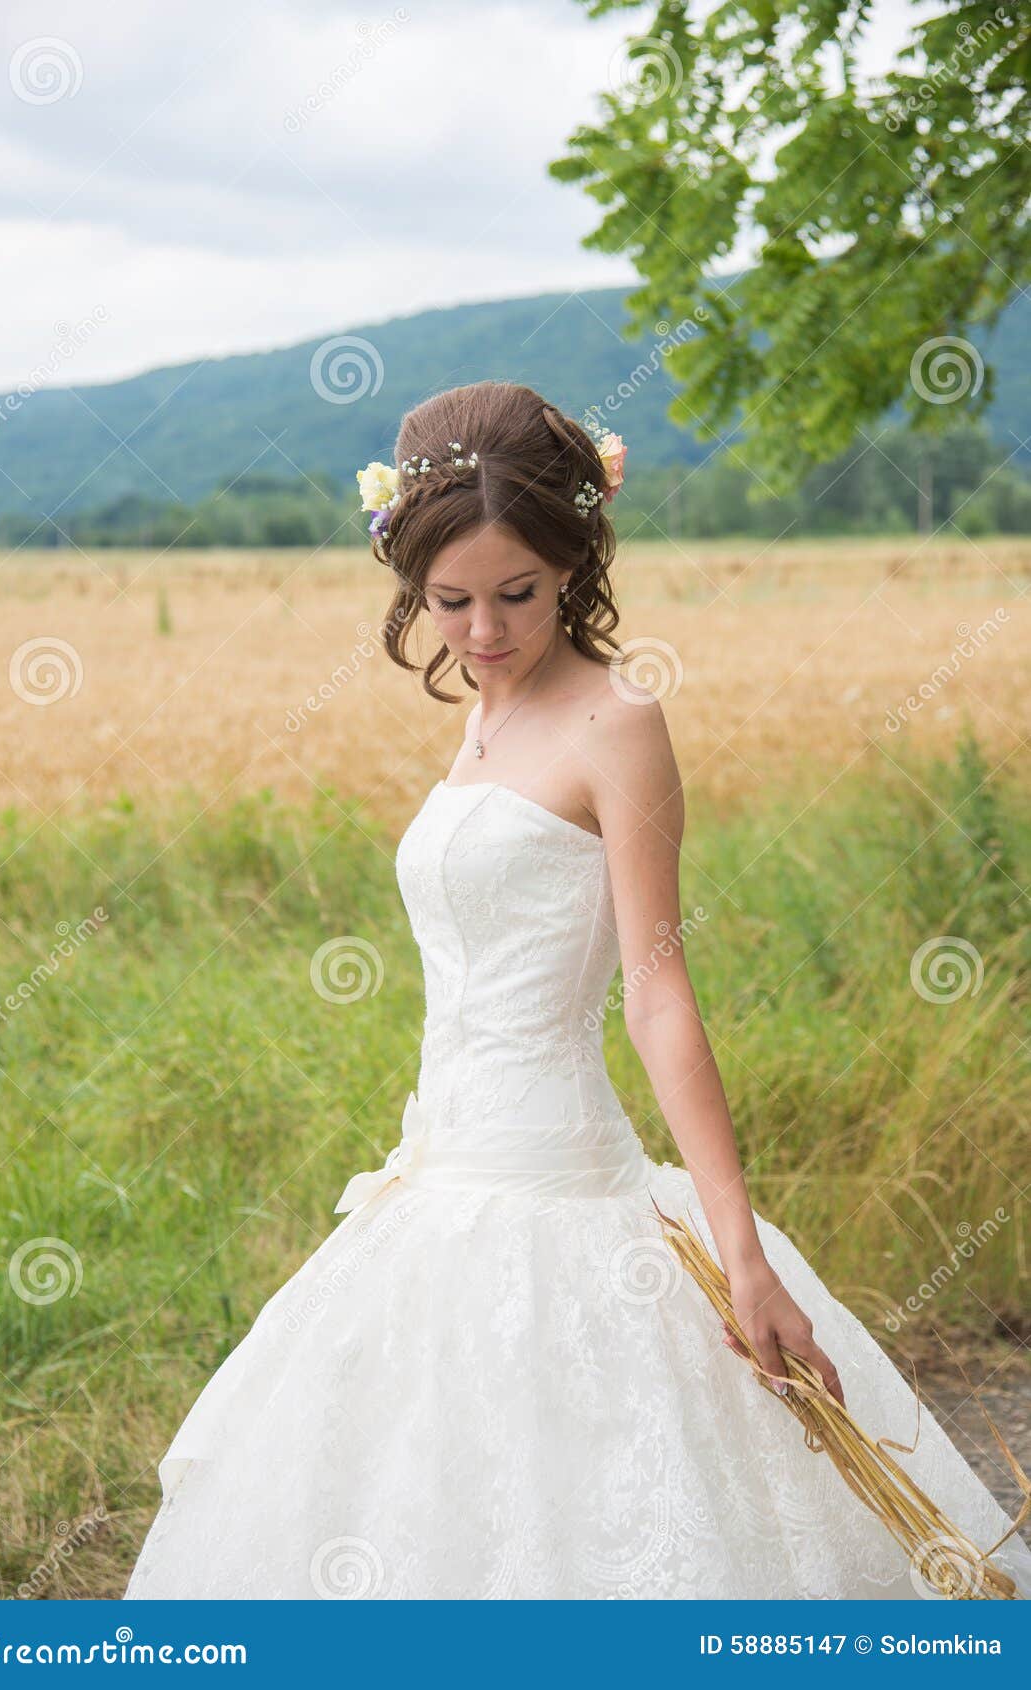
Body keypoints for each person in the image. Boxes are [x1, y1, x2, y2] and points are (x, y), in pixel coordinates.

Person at [125, 380, 1030, 1600]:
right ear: (407, 579)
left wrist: (741, 1251)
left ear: (575, 566)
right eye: (452, 602)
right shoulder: (483, 719)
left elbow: (658, 996)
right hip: (432, 1185)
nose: (486, 632)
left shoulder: (617, 721)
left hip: (565, 1188)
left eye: (520, 595)